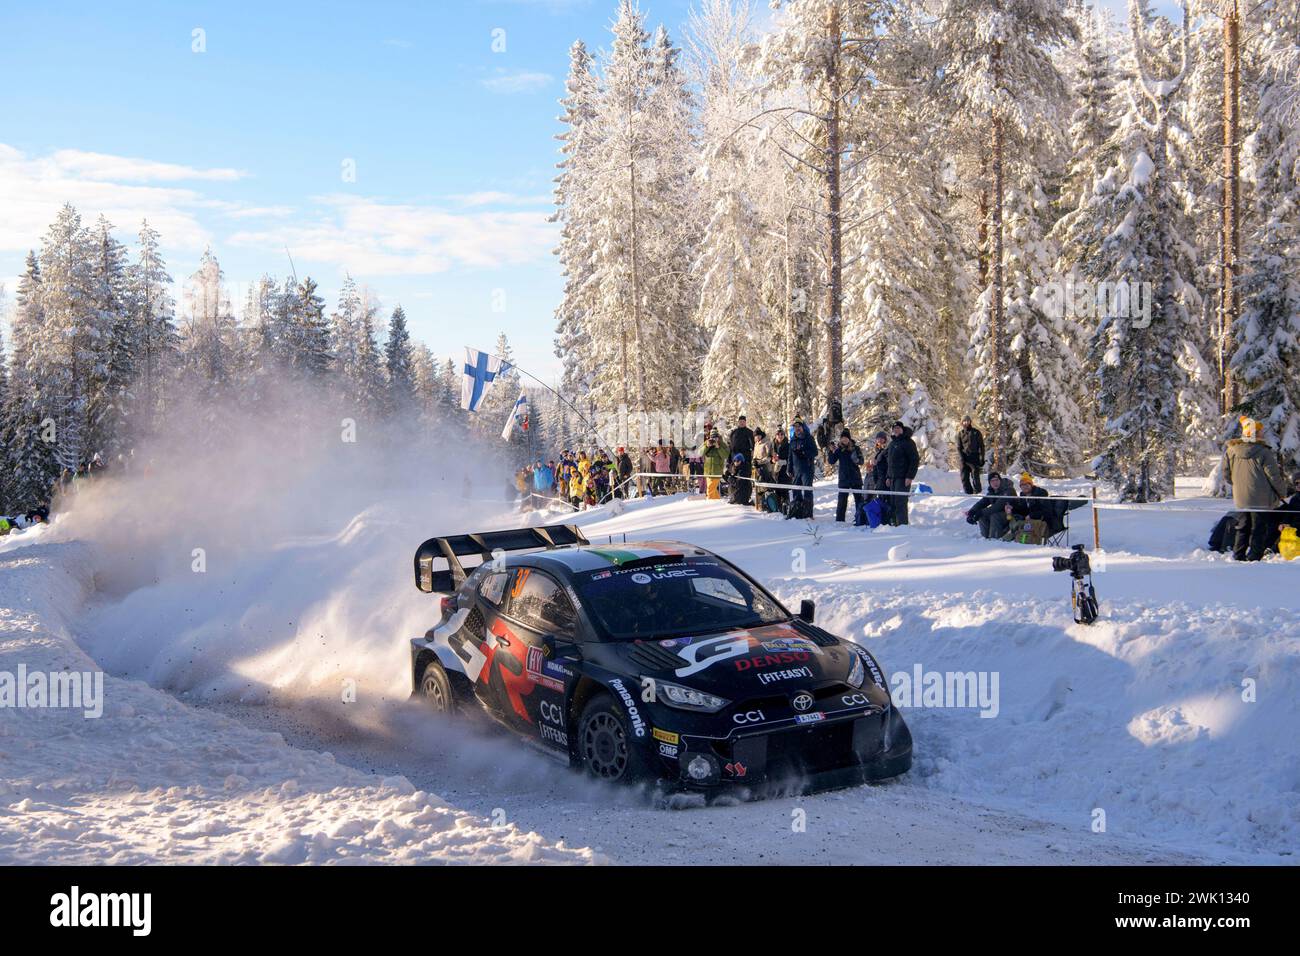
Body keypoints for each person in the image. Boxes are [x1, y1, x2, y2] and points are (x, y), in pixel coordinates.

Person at [1222, 417, 1287, 561]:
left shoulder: (1231, 450)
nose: (1262, 434)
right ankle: (1254, 557)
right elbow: (1273, 476)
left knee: (1243, 526)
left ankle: (1238, 555)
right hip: (1262, 498)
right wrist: (1282, 493)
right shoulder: (1264, 452)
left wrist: (1238, 485)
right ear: (1254, 433)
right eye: (1260, 432)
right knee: (1259, 528)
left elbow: (1226, 474)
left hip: (1241, 497)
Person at [884, 420, 920, 526]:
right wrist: (888, 477)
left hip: (903, 478)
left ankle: (902, 526)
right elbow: (889, 462)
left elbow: (914, 460)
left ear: (902, 429)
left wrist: (910, 476)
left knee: (901, 502)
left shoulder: (908, 442)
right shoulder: (892, 443)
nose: (896, 430)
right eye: (894, 429)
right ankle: (895, 524)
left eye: (898, 428)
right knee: (893, 502)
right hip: (892, 478)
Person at [827, 429, 865, 523]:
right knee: (842, 501)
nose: (844, 440)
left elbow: (861, 461)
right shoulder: (839, 450)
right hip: (844, 479)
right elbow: (831, 461)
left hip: (855, 478)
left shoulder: (855, 448)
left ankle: (860, 519)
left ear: (849, 439)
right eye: (842, 438)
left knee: (859, 500)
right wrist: (831, 451)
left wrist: (856, 459)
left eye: (846, 438)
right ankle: (839, 521)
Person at [964, 471, 1016, 539]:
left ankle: (994, 538)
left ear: (1000, 480)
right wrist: (972, 512)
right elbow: (982, 503)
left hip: (1013, 515)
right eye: (992, 481)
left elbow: (998, 506)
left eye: (996, 480)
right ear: (990, 483)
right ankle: (986, 537)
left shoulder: (1009, 490)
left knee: (994, 515)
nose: (995, 482)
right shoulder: (992, 492)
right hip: (1002, 515)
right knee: (983, 516)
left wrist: (980, 512)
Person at [1002, 472, 1050, 543]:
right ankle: (1012, 537)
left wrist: (1031, 515)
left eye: (1027, 484)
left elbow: (1046, 511)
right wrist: (1012, 508)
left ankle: (1013, 537)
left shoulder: (1040, 494)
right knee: (1013, 518)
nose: (1024, 486)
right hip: (1029, 520)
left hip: (1042, 520)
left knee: (1019, 523)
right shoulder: (1023, 495)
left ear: (1031, 485)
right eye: (1022, 485)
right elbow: (1023, 509)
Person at [787, 419, 817, 519]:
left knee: (807, 491)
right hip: (796, 470)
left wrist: (804, 453)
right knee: (796, 491)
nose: (797, 429)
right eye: (795, 427)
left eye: (799, 426)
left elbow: (815, 452)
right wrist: (789, 468)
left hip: (807, 469)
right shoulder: (792, 440)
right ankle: (797, 512)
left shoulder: (808, 438)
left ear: (802, 427)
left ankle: (808, 514)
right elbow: (790, 456)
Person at [957, 416, 986, 495]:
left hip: (974, 457)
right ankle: (968, 493)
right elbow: (959, 447)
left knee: (975, 475)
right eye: (964, 421)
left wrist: (982, 458)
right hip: (964, 458)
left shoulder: (976, 432)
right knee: (964, 477)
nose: (966, 422)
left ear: (970, 421)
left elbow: (981, 446)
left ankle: (978, 492)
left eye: (967, 421)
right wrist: (961, 458)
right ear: (962, 422)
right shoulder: (960, 434)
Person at [702, 432, 729, 500]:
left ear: (718, 438)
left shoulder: (722, 444)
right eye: (712, 438)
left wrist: (718, 448)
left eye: (716, 438)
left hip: (717, 471)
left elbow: (725, 456)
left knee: (710, 490)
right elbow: (700, 453)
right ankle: (717, 502)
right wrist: (706, 446)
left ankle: (710, 504)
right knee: (712, 489)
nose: (714, 440)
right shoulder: (707, 443)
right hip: (708, 471)